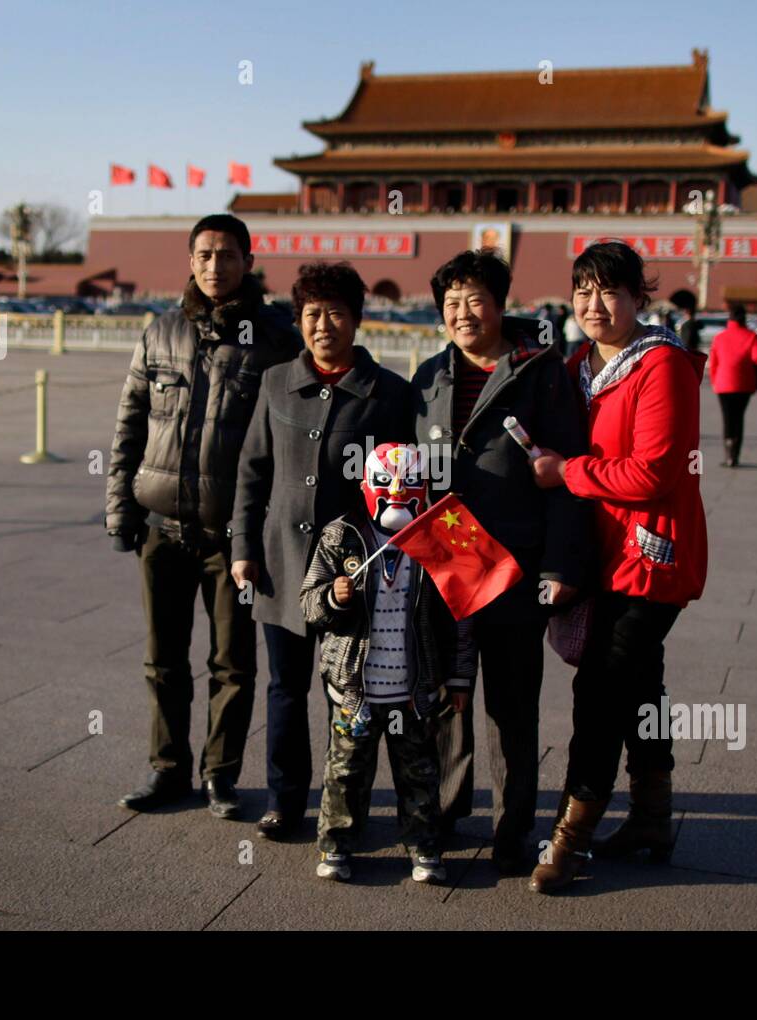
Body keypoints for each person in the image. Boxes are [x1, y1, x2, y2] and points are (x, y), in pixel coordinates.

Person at [526, 241, 708, 893]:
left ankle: (569, 841)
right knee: (640, 685)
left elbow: (655, 472)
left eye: (609, 292)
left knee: (599, 689)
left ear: (638, 298)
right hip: (600, 554)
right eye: (582, 291)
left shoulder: (663, 366)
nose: (593, 305)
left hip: (651, 558)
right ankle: (653, 819)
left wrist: (564, 472)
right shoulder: (578, 365)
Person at [106, 213, 302, 818]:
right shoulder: (159, 332)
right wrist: (120, 510)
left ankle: (220, 775)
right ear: (190, 260)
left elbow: (289, 439)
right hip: (161, 528)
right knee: (163, 660)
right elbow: (130, 423)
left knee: (233, 663)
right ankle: (167, 769)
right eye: (204, 255)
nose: (215, 266)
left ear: (248, 260)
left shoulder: (274, 338)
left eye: (227, 255)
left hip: (233, 538)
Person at [412, 249, 590, 876]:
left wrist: (560, 567)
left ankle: (514, 829)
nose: (462, 313)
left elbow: (567, 474)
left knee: (512, 706)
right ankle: (443, 809)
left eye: (475, 299)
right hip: (446, 561)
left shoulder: (539, 372)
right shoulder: (430, 375)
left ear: (500, 303)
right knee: (446, 695)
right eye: (451, 303)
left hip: (514, 565)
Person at [230, 262, 414, 840]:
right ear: (299, 320)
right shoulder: (276, 381)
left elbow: (405, 483)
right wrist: (242, 545)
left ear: (357, 319)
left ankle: (344, 806)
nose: (323, 324)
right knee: (285, 687)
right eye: (312, 313)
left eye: (336, 312)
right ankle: (285, 801)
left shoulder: (390, 395)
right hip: (283, 565)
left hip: (355, 572)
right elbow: (252, 471)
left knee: (350, 692)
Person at [300, 443, 473, 883]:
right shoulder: (340, 537)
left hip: (414, 691)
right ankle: (336, 846)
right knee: (345, 772)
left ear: (426, 488)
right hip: (355, 689)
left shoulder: (440, 540)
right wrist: (331, 599)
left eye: (409, 483)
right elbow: (308, 604)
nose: (396, 492)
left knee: (419, 775)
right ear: (366, 486)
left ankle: (423, 848)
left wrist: (459, 676)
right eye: (384, 483)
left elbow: (461, 614)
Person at [708, 302, 757, 467]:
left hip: (723, 384)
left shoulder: (719, 337)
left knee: (727, 419)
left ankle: (728, 455)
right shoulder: (751, 336)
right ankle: (736, 454)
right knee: (739, 418)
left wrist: (714, 381)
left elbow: (714, 363)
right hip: (743, 385)